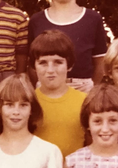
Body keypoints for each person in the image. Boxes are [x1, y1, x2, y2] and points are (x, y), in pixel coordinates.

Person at [28, 0, 109, 91]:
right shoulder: (36, 21)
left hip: (83, 88)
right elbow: (32, 67)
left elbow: (100, 65)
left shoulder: (92, 19)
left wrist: (89, 89)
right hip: (46, 88)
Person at [29, 30, 87, 159]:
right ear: (34, 66)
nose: (50, 70)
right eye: (43, 63)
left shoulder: (85, 102)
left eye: (58, 62)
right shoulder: (28, 102)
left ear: (69, 65)